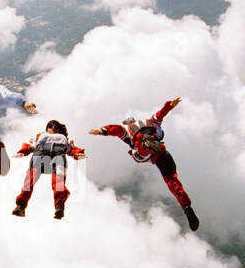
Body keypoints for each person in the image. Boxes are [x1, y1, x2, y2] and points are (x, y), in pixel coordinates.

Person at [89, 96, 199, 229]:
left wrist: (102, 131)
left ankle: (145, 144)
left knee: (136, 155)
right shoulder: (150, 120)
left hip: (146, 151)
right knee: (173, 181)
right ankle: (186, 207)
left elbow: (116, 129)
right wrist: (170, 105)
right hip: (162, 152)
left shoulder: (126, 129)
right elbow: (160, 114)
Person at [12, 120, 85, 220]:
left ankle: (59, 207)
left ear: (60, 130)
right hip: (40, 156)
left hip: (58, 156)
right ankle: (20, 206)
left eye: (56, 126)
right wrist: (22, 152)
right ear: (46, 129)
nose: (53, 128)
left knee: (58, 182)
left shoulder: (64, 139)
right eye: (50, 126)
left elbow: (71, 149)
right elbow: (31, 146)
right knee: (29, 181)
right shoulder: (40, 136)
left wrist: (78, 153)